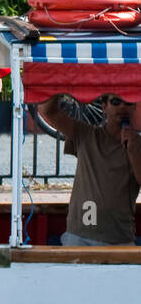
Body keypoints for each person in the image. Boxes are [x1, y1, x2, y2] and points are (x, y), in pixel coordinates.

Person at [38, 94, 141, 246]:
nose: (122, 107)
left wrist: (133, 151)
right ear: (104, 107)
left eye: (128, 102)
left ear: (134, 108)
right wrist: (63, 81)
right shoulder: (85, 134)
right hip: (80, 236)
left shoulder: (137, 144)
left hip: (119, 238)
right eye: (116, 102)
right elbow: (47, 112)